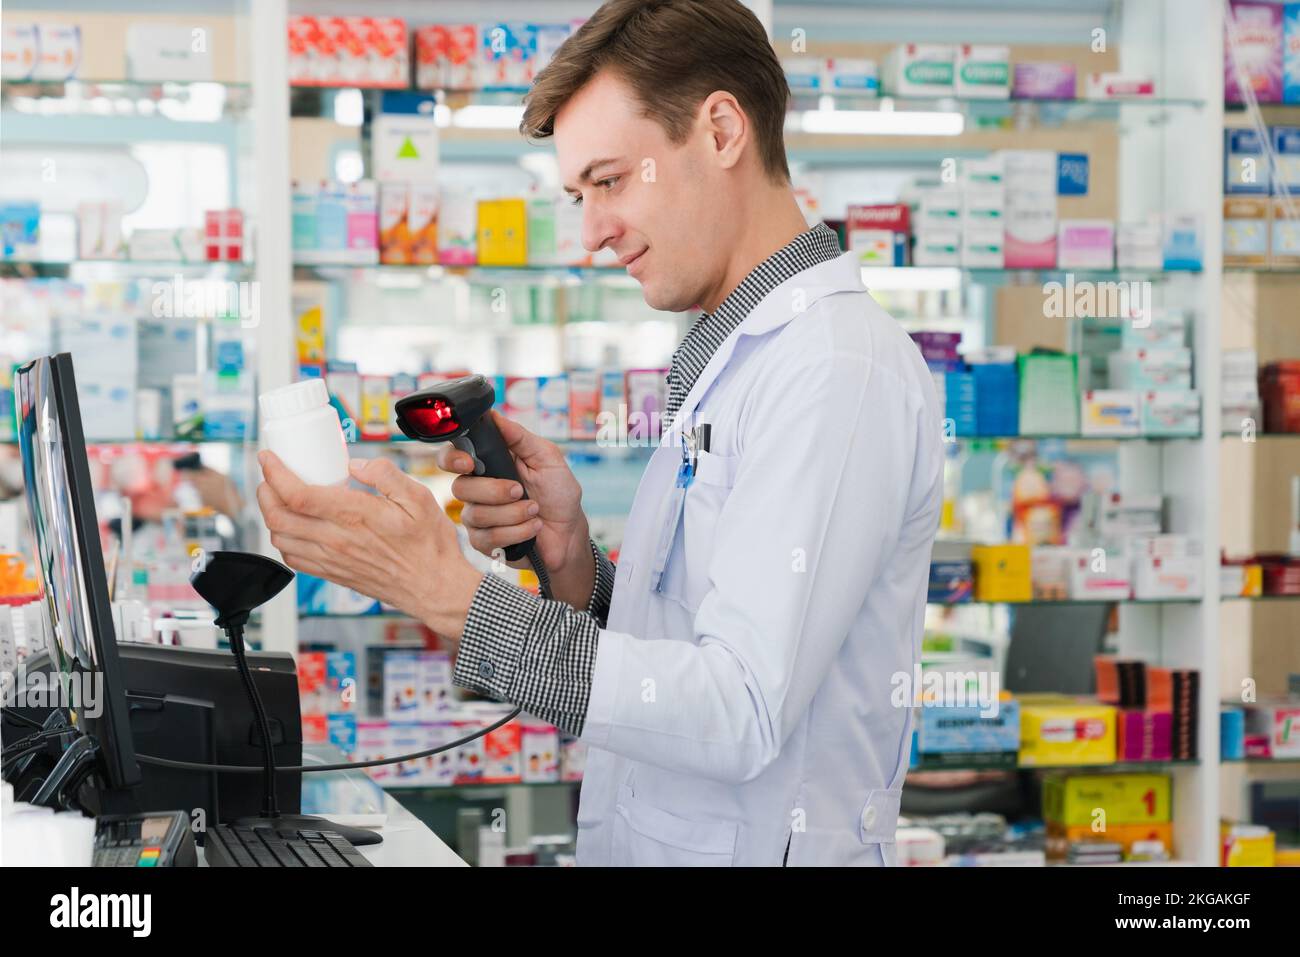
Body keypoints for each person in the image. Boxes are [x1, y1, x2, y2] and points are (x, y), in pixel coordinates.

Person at [257, 0, 943, 866]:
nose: (591, 234)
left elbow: (740, 710)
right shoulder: (733, 351)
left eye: (611, 182)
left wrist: (453, 598)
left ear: (722, 129)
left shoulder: (836, 368)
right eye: (580, 196)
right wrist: (582, 570)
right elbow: (704, 639)